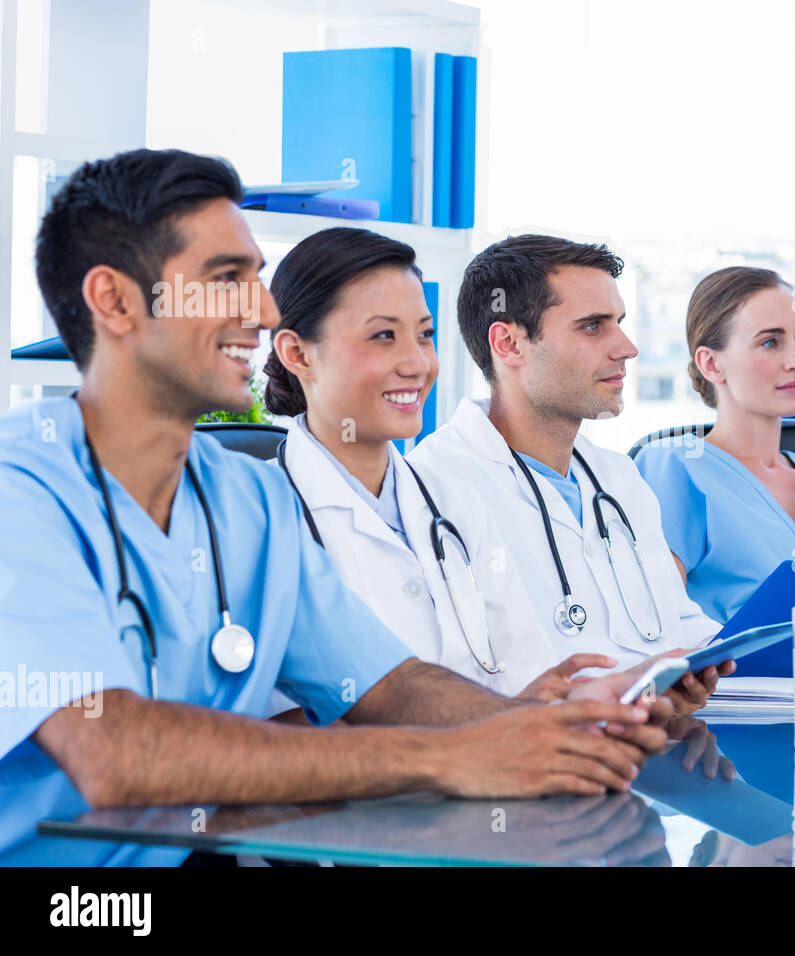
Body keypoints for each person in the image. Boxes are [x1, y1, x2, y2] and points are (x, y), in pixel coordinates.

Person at [0, 149, 667, 866]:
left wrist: (562, 733)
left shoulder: (245, 499)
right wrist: (451, 759)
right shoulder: (21, 490)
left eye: (258, 279)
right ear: (116, 301)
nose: (261, 311)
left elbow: (390, 684)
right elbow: (114, 751)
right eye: (228, 279)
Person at [263, 226, 617, 700]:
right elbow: (269, 720)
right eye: (383, 336)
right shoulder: (261, 518)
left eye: (425, 335)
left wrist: (608, 698)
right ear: (297, 353)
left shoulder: (454, 501)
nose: (416, 363)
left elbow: (528, 678)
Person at [409, 235, 731, 709]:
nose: (627, 347)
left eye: (619, 323)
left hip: (653, 749)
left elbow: (678, 625)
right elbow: (450, 684)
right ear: (509, 343)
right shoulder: (429, 489)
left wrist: (759, 653)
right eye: (593, 327)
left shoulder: (620, 479)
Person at [635, 266, 795, 667]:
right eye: (770, 342)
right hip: (725, 721)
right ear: (711, 364)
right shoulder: (674, 471)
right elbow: (662, 644)